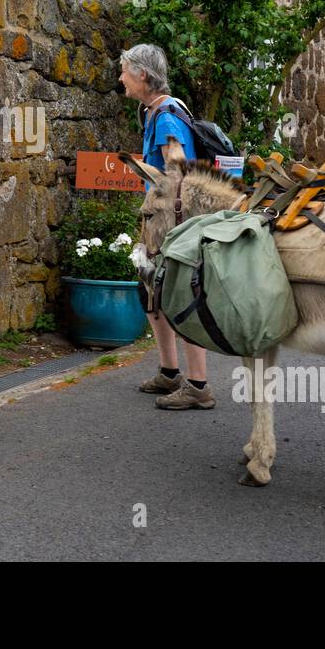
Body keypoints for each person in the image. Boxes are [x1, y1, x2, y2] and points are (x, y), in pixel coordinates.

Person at [118, 43, 216, 411]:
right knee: (150, 292)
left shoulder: (168, 118)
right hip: (160, 221)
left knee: (180, 295)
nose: (121, 78)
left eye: (126, 70)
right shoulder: (154, 112)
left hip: (173, 224)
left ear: (143, 75)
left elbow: (177, 174)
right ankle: (170, 371)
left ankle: (198, 385)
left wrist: (164, 228)